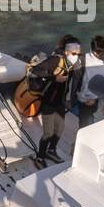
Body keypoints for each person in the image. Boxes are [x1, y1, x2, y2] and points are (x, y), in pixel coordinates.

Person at [26, 34, 84, 162]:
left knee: (59, 129)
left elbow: (77, 81)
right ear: (67, 52)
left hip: (61, 102)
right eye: (74, 54)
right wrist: (53, 77)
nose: (77, 57)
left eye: (78, 54)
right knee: (48, 133)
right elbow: (35, 71)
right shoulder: (55, 60)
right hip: (49, 102)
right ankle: (40, 157)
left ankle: (51, 151)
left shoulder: (73, 64)